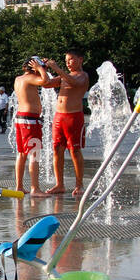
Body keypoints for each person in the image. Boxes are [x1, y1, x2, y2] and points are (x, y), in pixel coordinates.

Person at [44, 49, 90, 196]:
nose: (68, 63)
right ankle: (59, 184)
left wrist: (57, 68)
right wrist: (41, 69)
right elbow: (47, 84)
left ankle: (79, 184)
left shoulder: (82, 76)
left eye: (71, 59)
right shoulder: (65, 76)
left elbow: (74, 82)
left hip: (73, 117)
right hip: (59, 117)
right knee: (57, 150)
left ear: (80, 59)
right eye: (66, 61)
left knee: (74, 150)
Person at [12, 57, 57, 196]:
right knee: (34, 154)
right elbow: (45, 81)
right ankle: (35, 188)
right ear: (34, 68)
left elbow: (48, 81)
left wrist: (44, 68)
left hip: (21, 119)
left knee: (22, 153)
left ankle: (19, 186)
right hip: (30, 120)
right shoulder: (31, 78)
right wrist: (40, 68)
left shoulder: (19, 79)